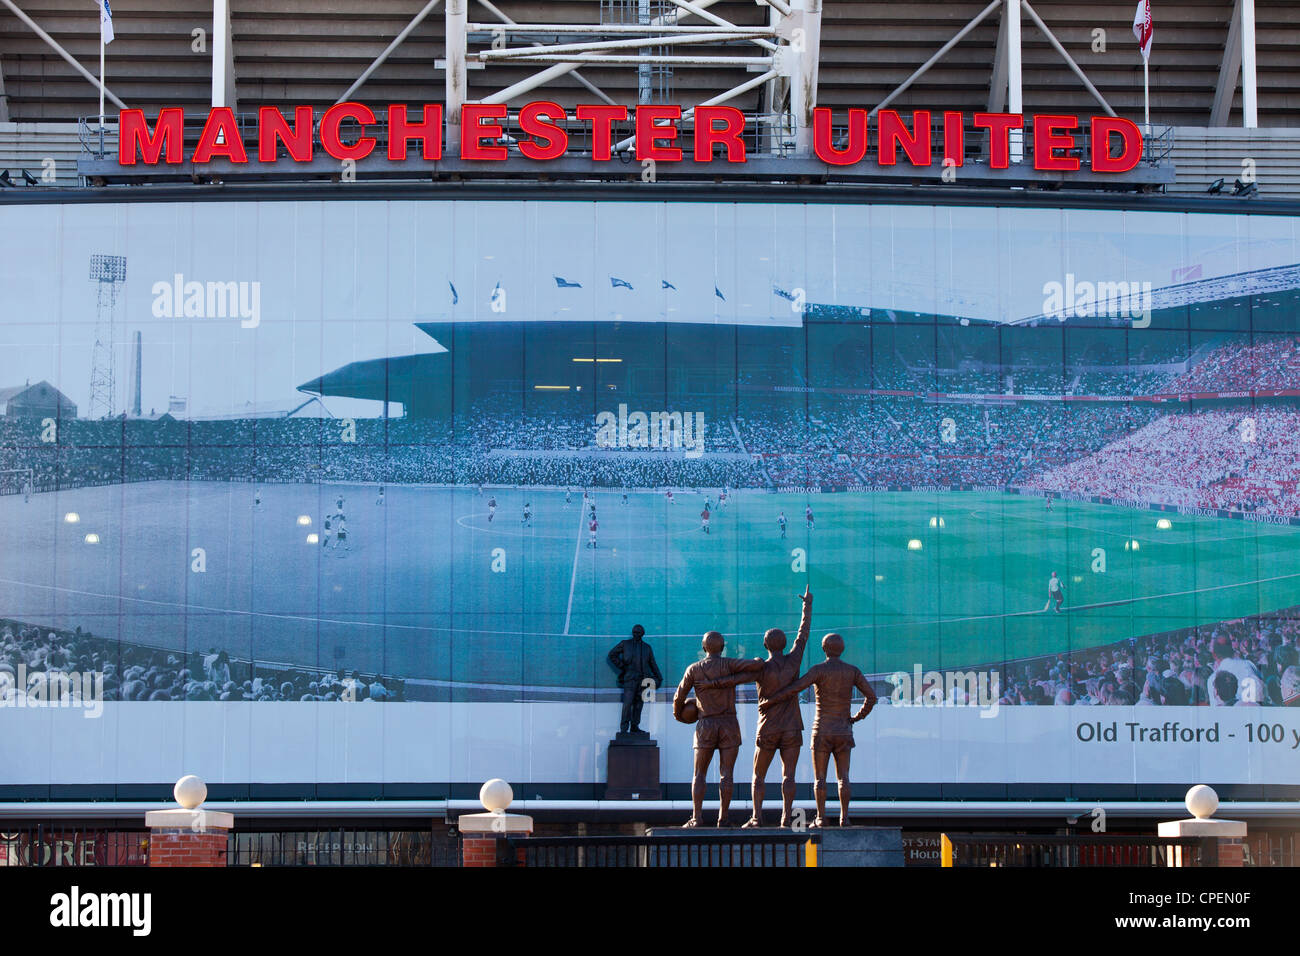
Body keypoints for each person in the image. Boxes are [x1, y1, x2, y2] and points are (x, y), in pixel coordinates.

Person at [695, 586, 813, 828]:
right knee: (788, 776)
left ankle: (757, 818)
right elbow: (803, 634)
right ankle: (785, 819)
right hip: (792, 727)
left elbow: (735, 680)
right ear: (784, 644)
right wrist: (807, 606)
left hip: (768, 727)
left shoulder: (760, 668)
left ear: (765, 644)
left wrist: (711, 683)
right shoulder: (794, 660)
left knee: (758, 776)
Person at [763, 631, 877, 828]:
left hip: (822, 729)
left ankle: (822, 818)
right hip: (843, 730)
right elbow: (871, 697)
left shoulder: (818, 670)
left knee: (820, 778)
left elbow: (794, 688)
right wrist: (856, 717)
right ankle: (844, 818)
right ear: (842, 650)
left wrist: (771, 700)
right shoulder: (852, 671)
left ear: (824, 649)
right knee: (844, 777)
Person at [673, 632, 763, 827]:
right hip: (729, 724)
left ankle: (697, 818)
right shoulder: (729, 664)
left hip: (706, 724)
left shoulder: (694, 669)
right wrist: (757, 660)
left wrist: (679, 715)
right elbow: (756, 666)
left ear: (704, 648)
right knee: (727, 774)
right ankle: (723, 818)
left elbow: (678, 697)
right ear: (722, 648)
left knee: (699, 774)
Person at [607, 625, 664, 735]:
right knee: (627, 704)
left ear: (642, 634)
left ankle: (634, 726)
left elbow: (652, 663)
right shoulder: (625, 644)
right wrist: (622, 666)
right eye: (634, 632)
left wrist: (659, 677)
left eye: (638, 632)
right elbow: (612, 654)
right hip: (630, 679)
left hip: (643, 680)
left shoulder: (647, 648)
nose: (636, 634)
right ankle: (624, 728)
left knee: (638, 705)